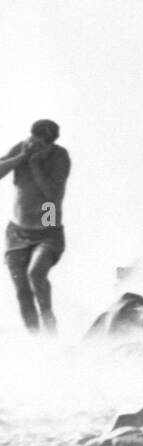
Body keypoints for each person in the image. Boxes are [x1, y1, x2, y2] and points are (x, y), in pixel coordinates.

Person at [0, 120, 71, 334]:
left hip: (48, 228)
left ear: (51, 144)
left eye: (43, 143)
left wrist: (36, 165)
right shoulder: (22, 148)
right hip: (18, 231)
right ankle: (37, 341)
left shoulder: (59, 156)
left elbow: (53, 196)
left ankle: (50, 325)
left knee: (36, 274)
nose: (36, 145)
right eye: (34, 140)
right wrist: (22, 157)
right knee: (22, 290)